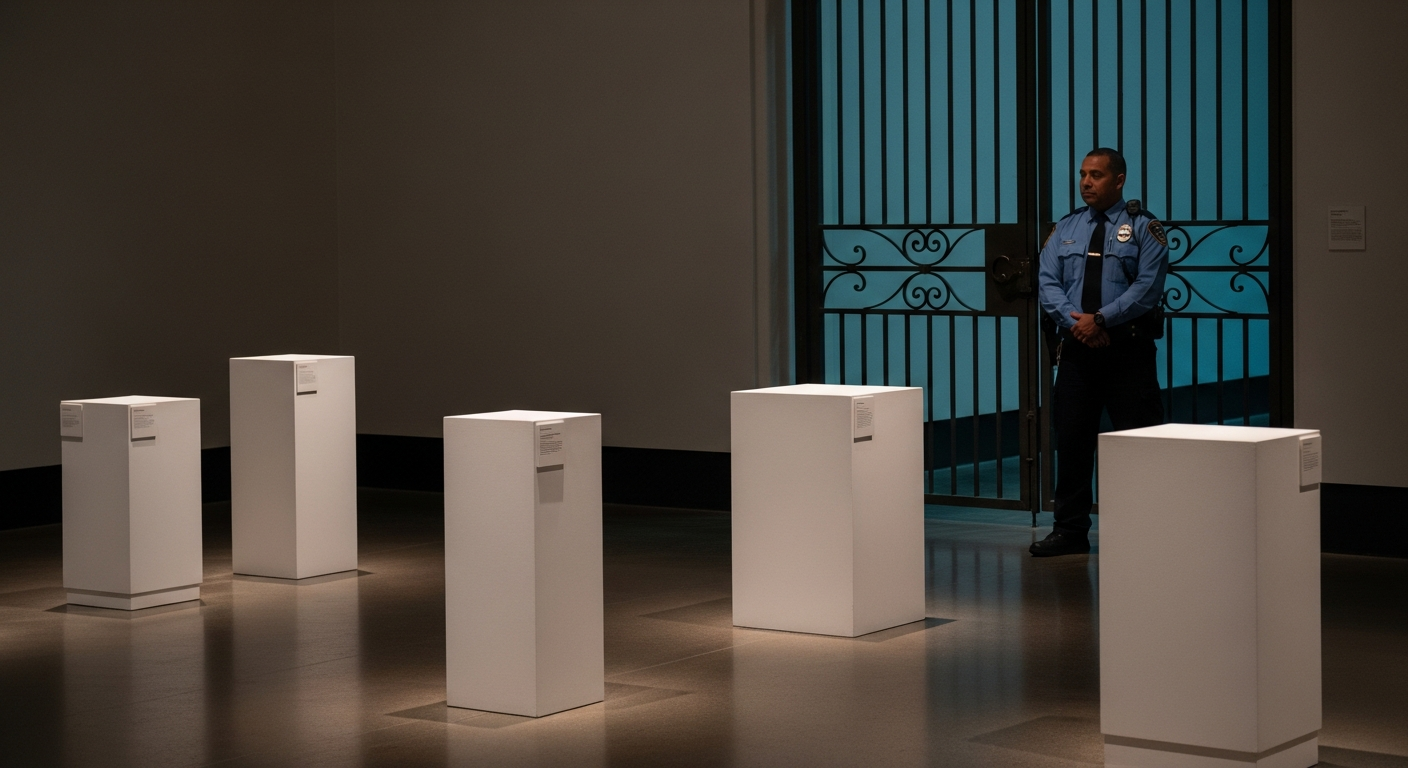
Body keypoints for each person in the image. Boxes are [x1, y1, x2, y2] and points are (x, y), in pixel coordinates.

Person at [1032, 147, 1168, 557]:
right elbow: (1047, 281)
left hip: (1127, 351)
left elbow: (1147, 287)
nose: (1086, 182)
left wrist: (1102, 319)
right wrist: (1080, 324)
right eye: (1083, 175)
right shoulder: (1067, 227)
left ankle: (1146, 530)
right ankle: (1070, 531)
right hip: (1078, 351)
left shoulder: (1145, 227)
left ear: (1119, 179)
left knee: (1137, 442)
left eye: (1096, 175)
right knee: (1072, 442)